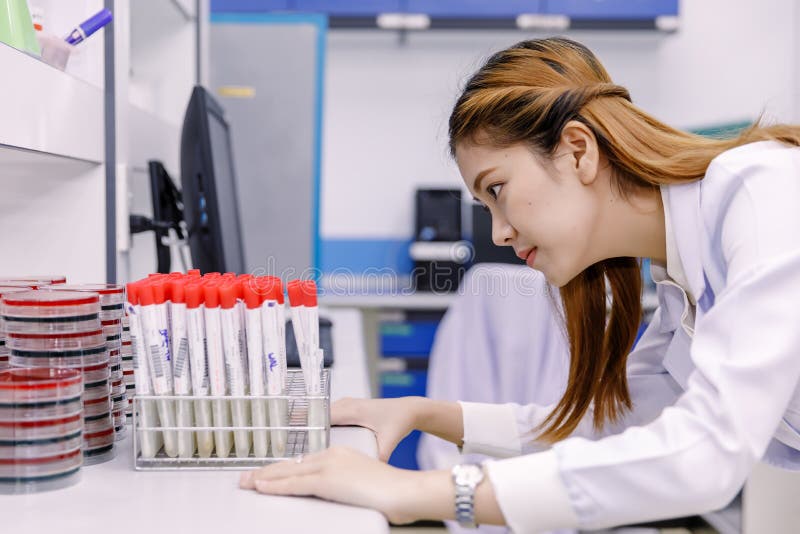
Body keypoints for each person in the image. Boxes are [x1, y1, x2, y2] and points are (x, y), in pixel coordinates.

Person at [239, 37, 800, 532]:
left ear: (577, 151)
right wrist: (423, 413)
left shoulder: (763, 193)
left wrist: (413, 491)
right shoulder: (680, 279)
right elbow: (614, 424)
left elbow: (703, 459)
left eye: (497, 190)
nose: (499, 233)